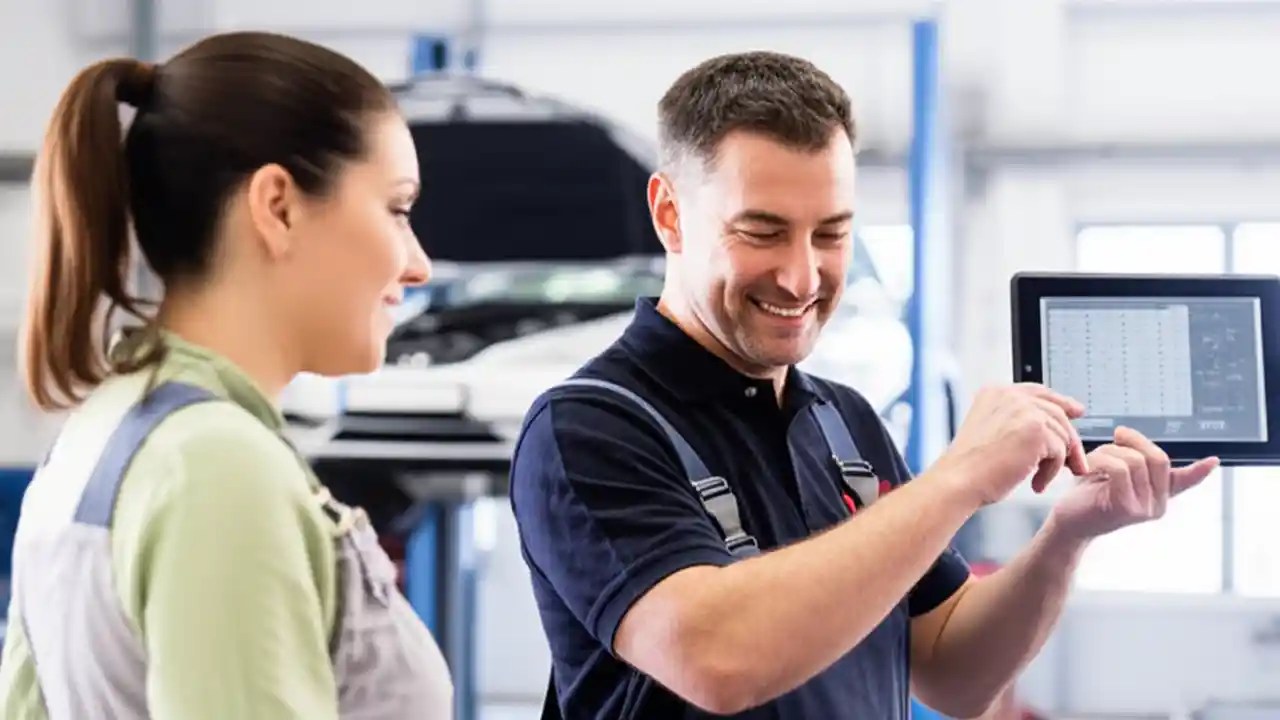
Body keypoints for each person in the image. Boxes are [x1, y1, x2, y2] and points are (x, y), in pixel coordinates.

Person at [508, 51, 1219, 719]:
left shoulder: (842, 421)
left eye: (831, 234)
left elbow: (953, 672)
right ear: (670, 214)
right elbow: (717, 659)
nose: (801, 277)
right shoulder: (588, 429)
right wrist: (957, 479)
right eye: (762, 232)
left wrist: (1067, 536)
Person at [0, 31, 452, 719]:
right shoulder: (218, 467)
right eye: (397, 209)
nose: (418, 264)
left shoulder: (102, 433)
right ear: (278, 207)